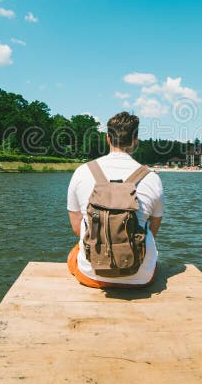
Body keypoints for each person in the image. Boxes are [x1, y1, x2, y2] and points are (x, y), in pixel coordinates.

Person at [67, 112, 163, 288]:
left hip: (92, 276)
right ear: (135, 140)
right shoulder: (152, 178)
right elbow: (153, 230)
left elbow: (77, 226)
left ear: (108, 138)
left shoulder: (82, 171)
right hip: (140, 278)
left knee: (74, 253)